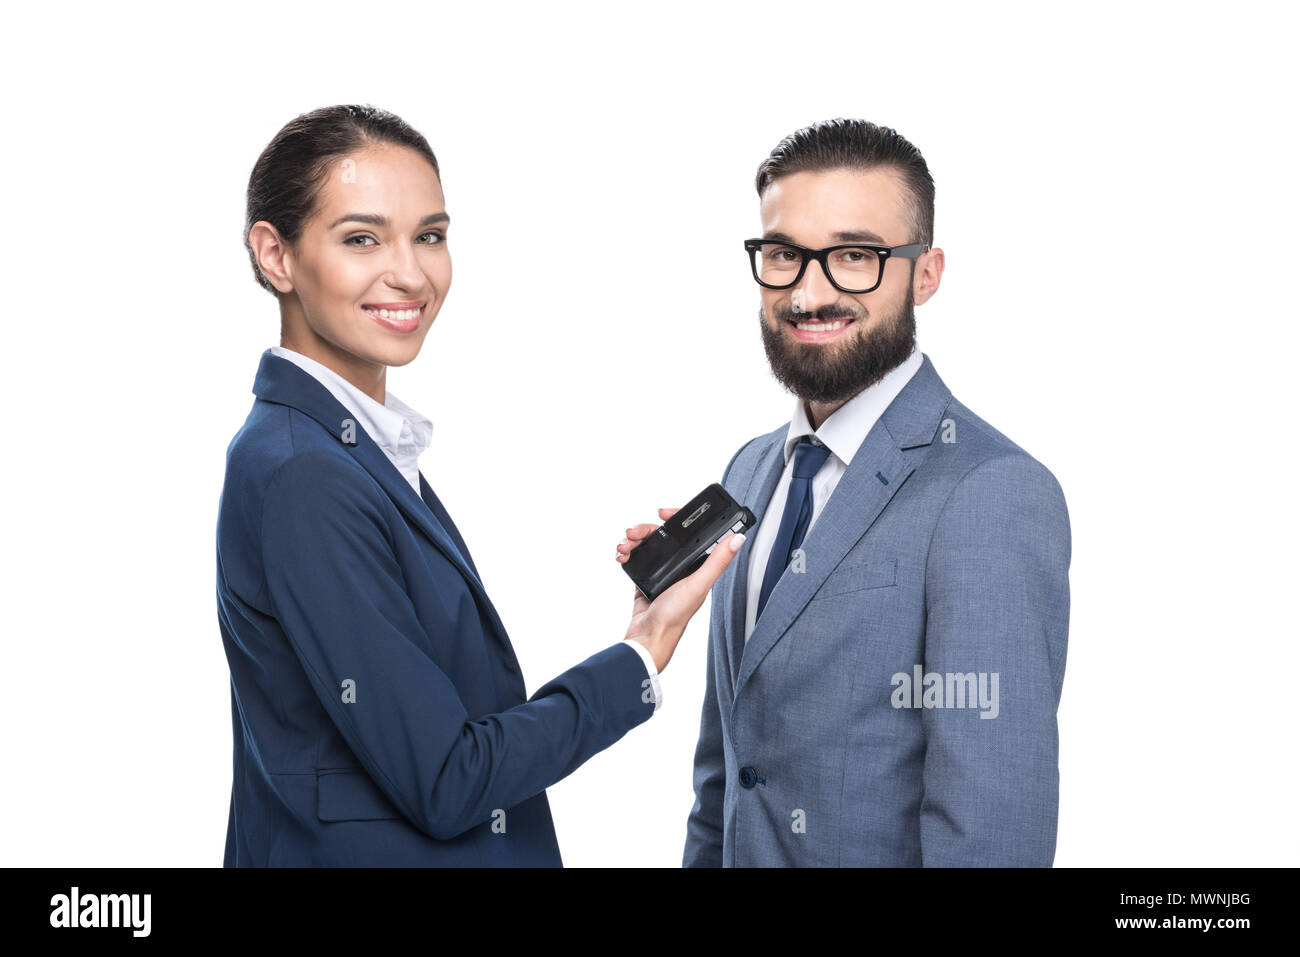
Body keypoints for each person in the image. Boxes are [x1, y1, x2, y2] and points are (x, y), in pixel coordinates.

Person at [216, 104, 743, 867]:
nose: (411, 272)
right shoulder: (306, 471)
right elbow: (447, 778)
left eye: (429, 235)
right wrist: (641, 653)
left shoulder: (346, 448)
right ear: (277, 254)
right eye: (362, 238)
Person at [620, 118, 1071, 867]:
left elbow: (991, 829)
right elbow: (726, 774)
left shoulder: (990, 492)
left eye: (855, 256)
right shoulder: (748, 471)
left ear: (925, 273)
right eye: (784, 254)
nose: (809, 290)